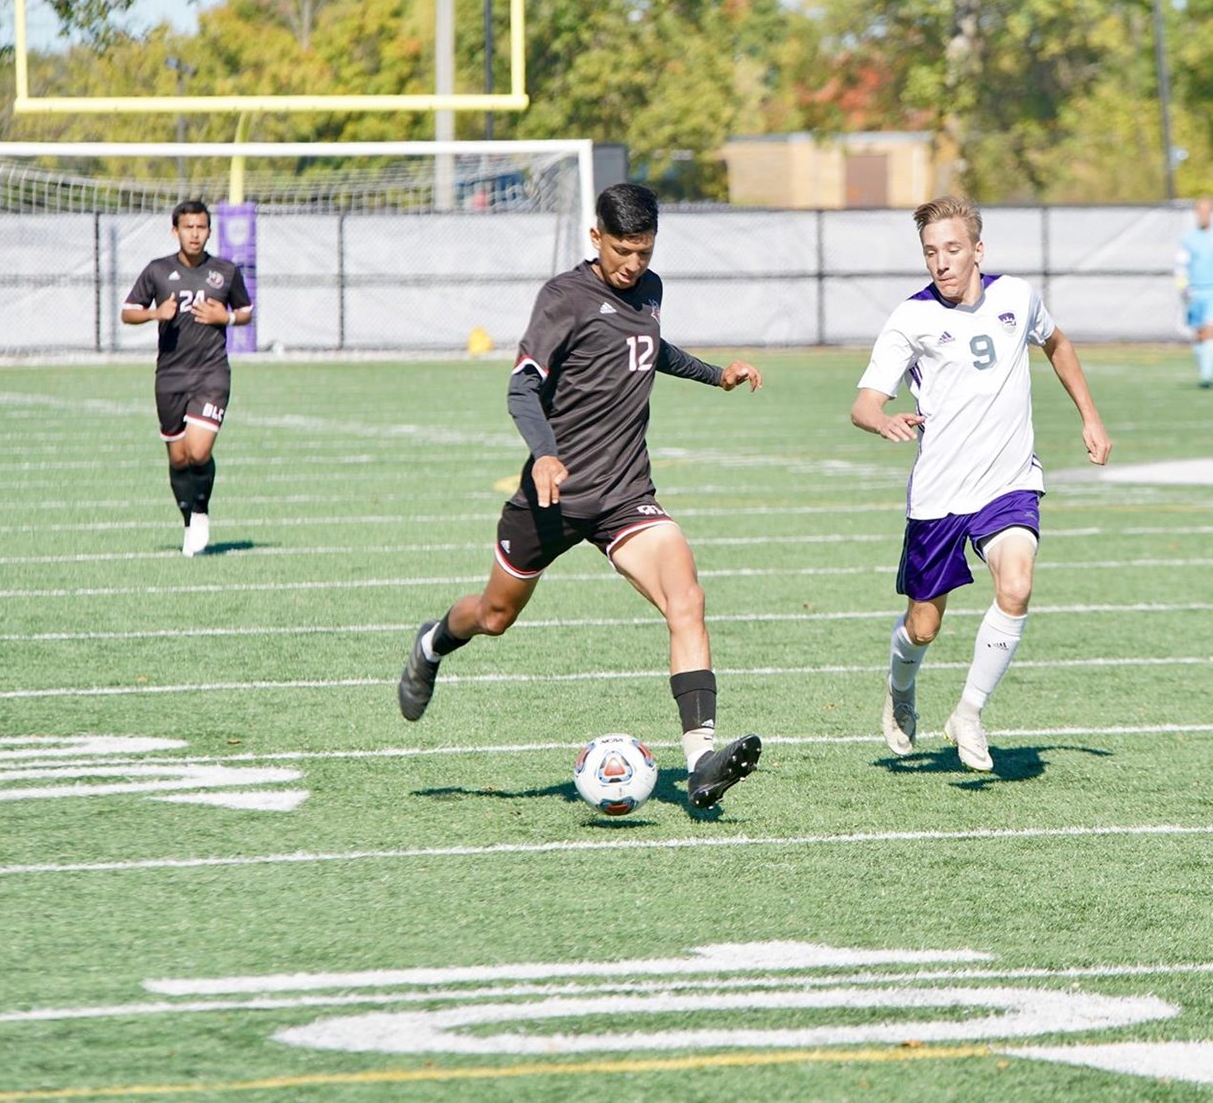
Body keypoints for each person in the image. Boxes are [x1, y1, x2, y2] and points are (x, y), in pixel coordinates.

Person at [397, 182, 765, 811]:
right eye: (622, 250)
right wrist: (544, 453)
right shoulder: (562, 299)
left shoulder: (650, 289)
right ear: (596, 238)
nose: (634, 265)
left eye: (645, 252)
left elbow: (647, 348)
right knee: (494, 616)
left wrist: (715, 375)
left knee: (686, 598)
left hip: (625, 493)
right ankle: (432, 644)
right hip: (554, 496)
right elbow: (522, 387)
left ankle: (701, 761)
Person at [850, 194, 1112, 772]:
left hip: (1008, 482)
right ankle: (900, 687)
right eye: (930, 252)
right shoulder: (911, 318)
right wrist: (881, 419)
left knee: (1016, 587)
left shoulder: (1017, 296)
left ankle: (968, 712)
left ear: (978, 250)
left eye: (952, 249)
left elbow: (1057, 343)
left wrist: (1090, 416)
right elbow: (864, 403)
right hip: (940, 493)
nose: (941, 262)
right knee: (924, 626)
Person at [121, 199, 253, 556]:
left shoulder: (225, 271)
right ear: (175, 231)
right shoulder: (157, 271)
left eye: (201, 228)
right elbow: (127, 312)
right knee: (179, 459)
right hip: (169, 376)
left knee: (198, 451)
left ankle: (201, 510)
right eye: (188, 227)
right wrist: (154, 313)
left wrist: (226, 318)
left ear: (209, 231)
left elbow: (245, 311)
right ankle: (188, 521)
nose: (195, 234)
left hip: (212, 373)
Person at [1177, 196, 1213, 388]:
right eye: (1200, 211)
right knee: (1199, 334)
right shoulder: (1188, 238)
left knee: (1211, 331)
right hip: (1195, 291)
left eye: (1207, 211)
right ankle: (1204, 370)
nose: (1203, 215)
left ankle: (1207, 376)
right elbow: (1181, 265)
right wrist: (1182, 286)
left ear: (1212, 213)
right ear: (1196, 212)